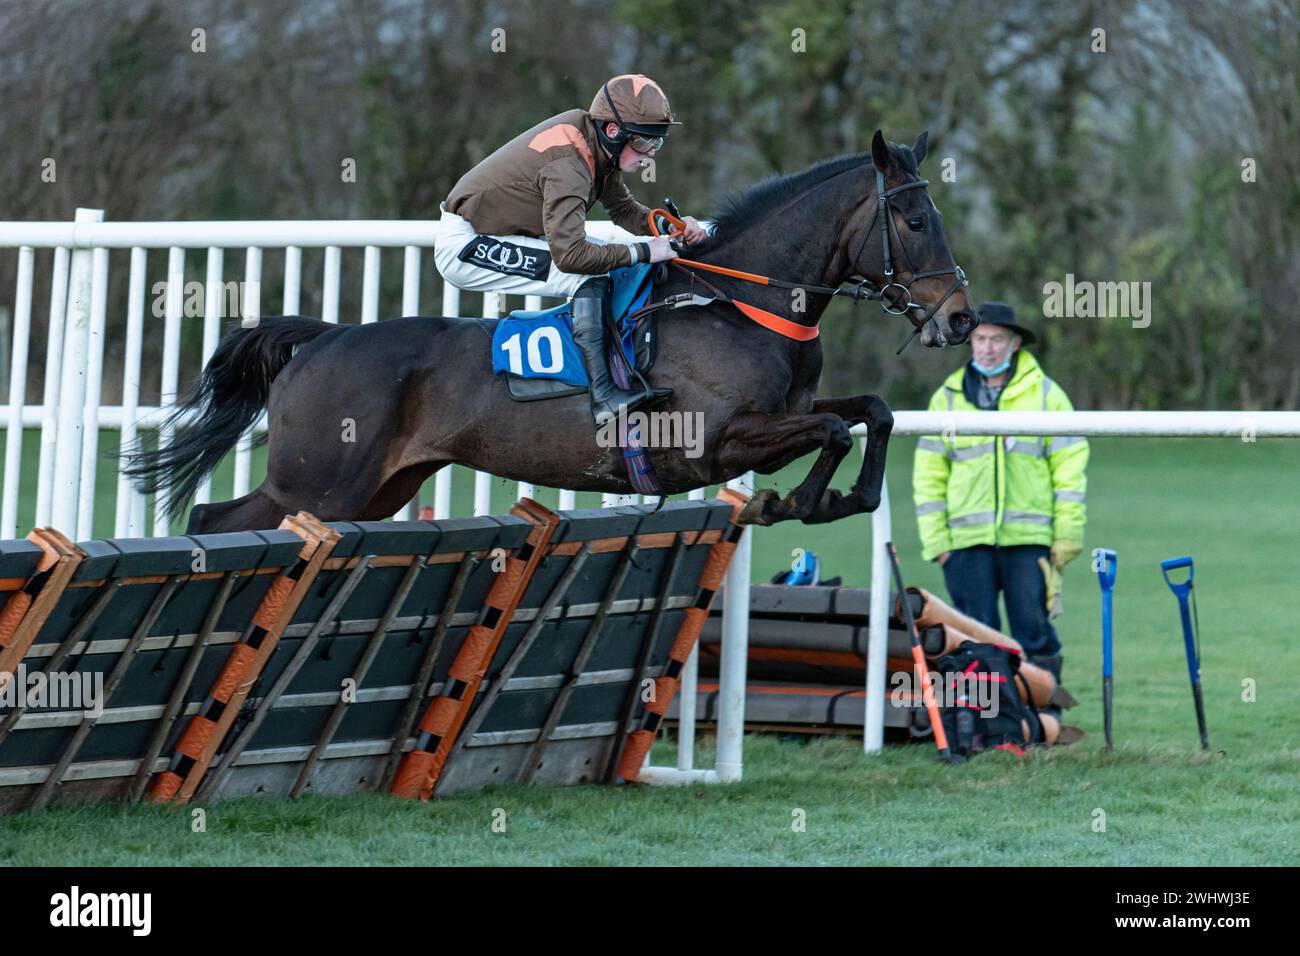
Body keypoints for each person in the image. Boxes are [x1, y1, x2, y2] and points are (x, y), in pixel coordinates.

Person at [434, 74, 707, 424]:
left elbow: (622, 209)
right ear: (613, 131)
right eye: (643, 142)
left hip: (502, 233)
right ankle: (604, 396)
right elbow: (571, 256)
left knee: (614, 260)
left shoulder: (594, 143)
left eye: (657, 144)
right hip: (467, 244)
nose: (649, 154)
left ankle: (617, 372)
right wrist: (645, 251)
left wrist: (671, 230)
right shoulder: (570, 164)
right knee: (585, 275)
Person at [912, 302, 1089, 686]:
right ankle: (985, 724)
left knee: (1035, 635)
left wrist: (1068, 535)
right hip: (964, 544)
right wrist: (938, 543)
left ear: (1015, 345)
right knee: (975, 637)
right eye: (979, 339)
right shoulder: (947, 397)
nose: (987, 348)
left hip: (1030, 541)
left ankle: (1042, 721)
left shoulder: (1048, 395)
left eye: (997, 339)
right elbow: (927, 475)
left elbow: (1071, 471)